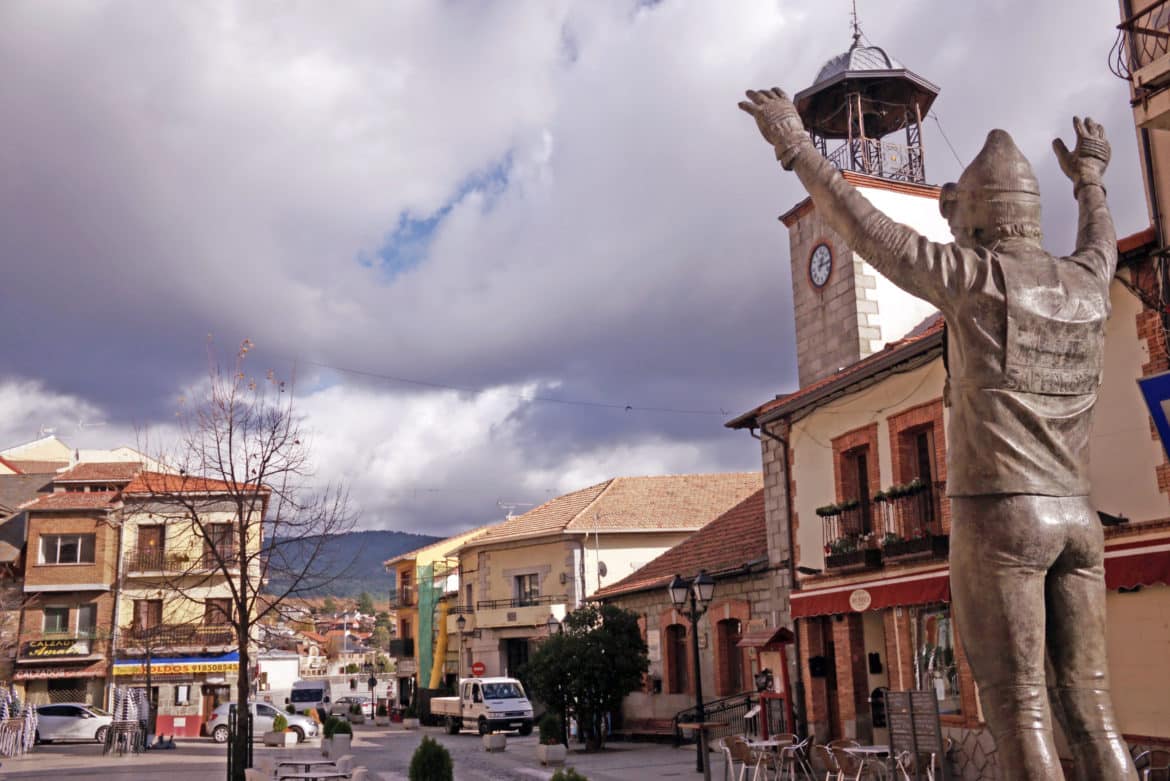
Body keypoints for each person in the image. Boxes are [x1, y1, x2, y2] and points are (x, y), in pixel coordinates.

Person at [738, 87, 1138, 781]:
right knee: (1092, 708)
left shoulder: (975, 278)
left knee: (1020, 711)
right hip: (1078, 517)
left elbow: (869, 230)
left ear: (977, 220)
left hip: (1002, 514)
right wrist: (1091, 180)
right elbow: (1100, 239)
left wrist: (797, 146)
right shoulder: (1086, 283)